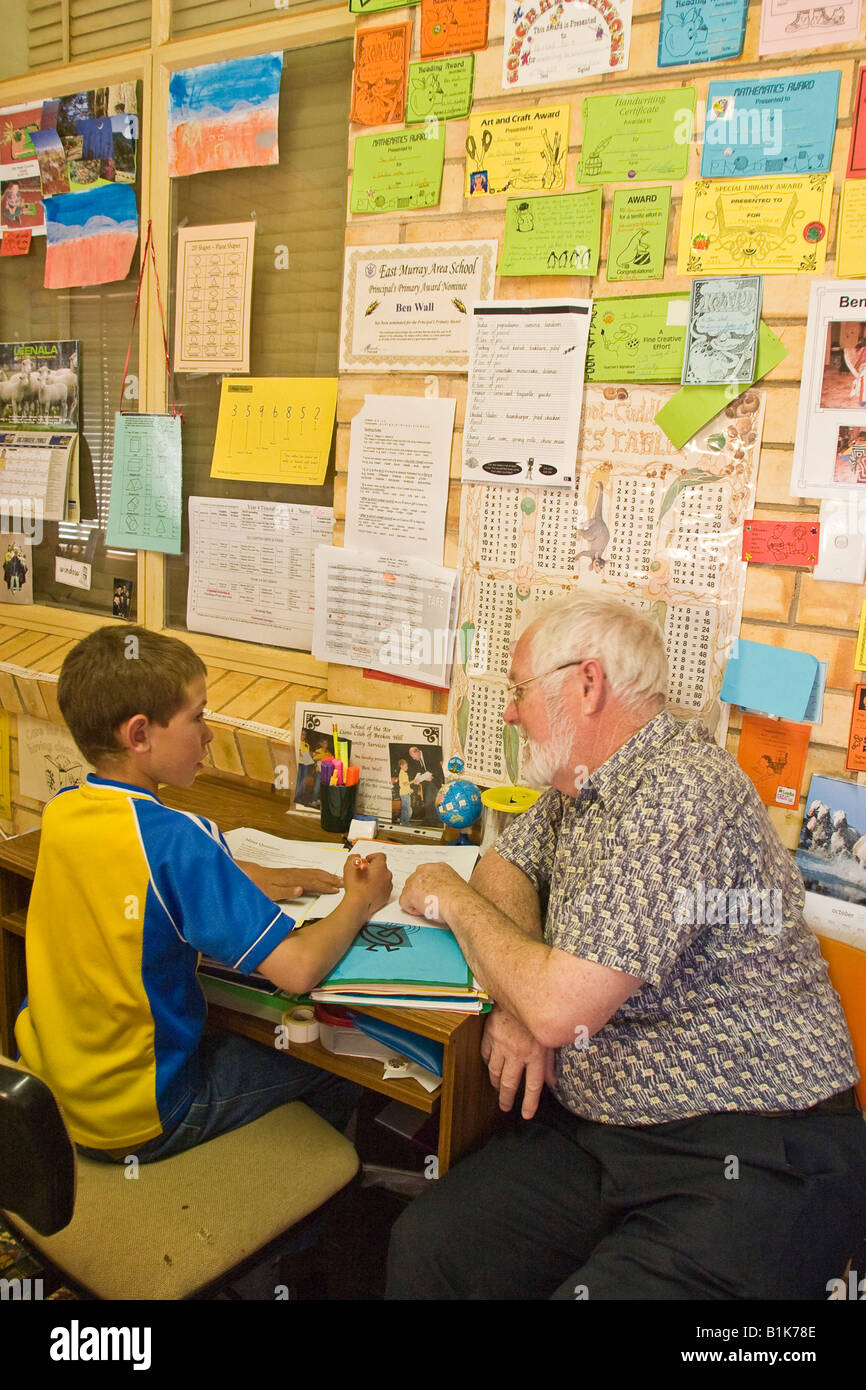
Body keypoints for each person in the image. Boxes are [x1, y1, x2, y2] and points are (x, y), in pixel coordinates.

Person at [387, 593, 866, 1300]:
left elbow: (554, 1004)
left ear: (587, 683)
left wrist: (451, 900)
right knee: (432, 1251)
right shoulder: (578, 786)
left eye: (519, 690)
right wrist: (517, 1004)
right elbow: (505, 866)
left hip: (752, 1147)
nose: (511, 712)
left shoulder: (683, 790)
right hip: (606, 1126)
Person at [15, 625, 392, 1164]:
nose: (209, 734)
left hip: (50, 1090)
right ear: (139, 734)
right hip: (138, 1118)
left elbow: (133, 875)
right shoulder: (181, 841)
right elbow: (299, 969)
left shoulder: (64, 810)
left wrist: (231, 871)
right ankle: (284, 1228)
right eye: (198, 717)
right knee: (330, 1064)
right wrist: (362, 900)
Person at [406, 744, 444, 826]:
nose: (413, 758)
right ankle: (429, 820)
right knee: (428, 801)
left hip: (436, 780)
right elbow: (420, 771)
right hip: (427, 782)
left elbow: (437, 768)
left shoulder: (429, 754)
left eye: (413, 756)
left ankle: (436, 821)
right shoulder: (417, 760)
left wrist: (432, 776)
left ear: (418, 752)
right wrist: (417, 779)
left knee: (435, 801)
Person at [392, 757, 413, 826]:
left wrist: (410, 790)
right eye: (405, 766)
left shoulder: (404, 773)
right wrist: (413, 781)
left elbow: (406, 785)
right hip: (404, 794)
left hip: (406, 793)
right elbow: (405, 783)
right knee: (408, 809)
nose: (407, 767)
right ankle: (405, 822)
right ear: (401, 766)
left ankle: (403, 821)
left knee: (405, 808)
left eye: (407, 766)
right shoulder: (402, 773)